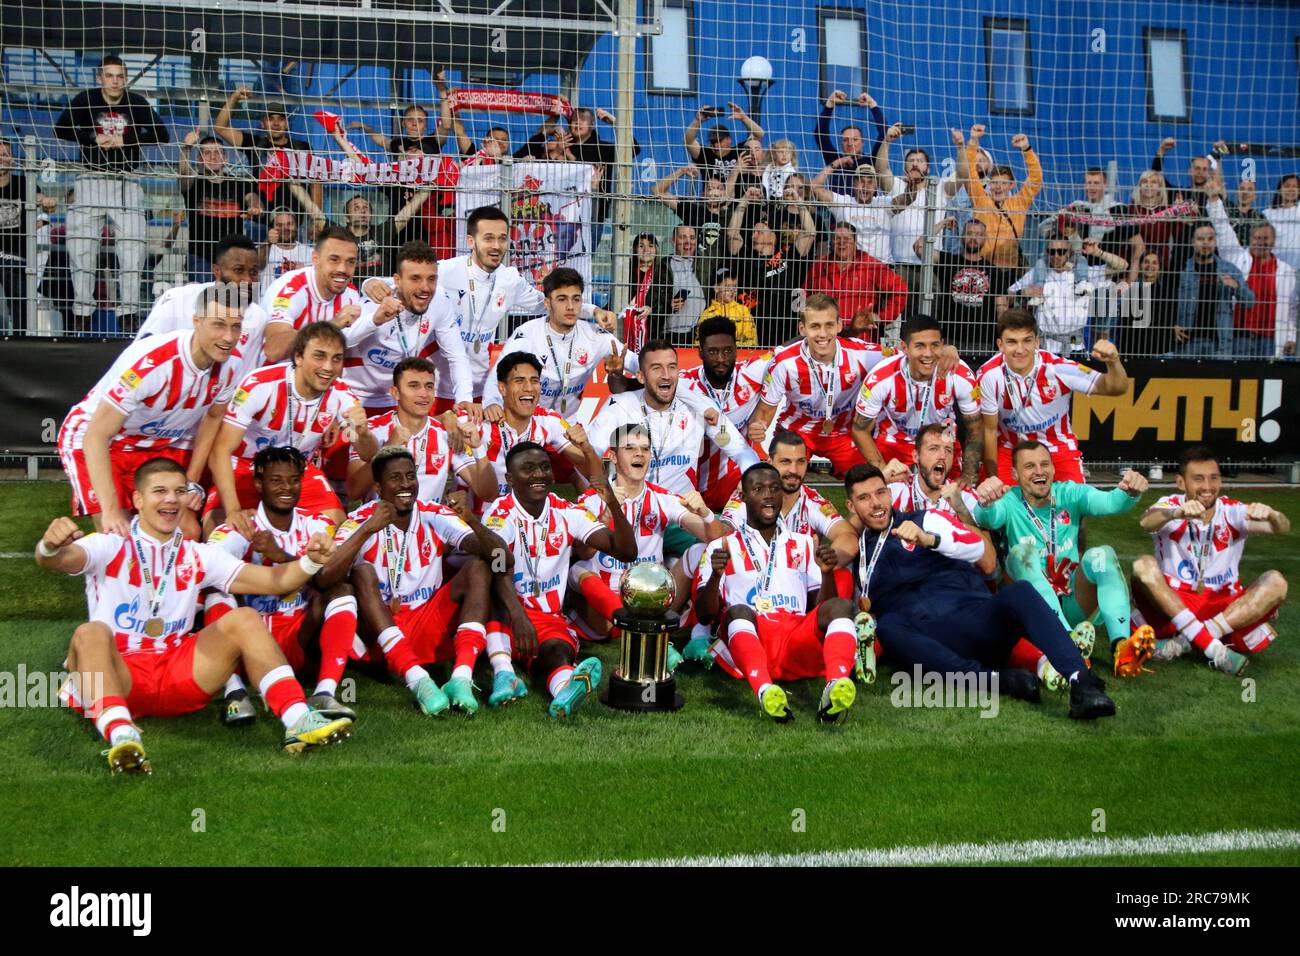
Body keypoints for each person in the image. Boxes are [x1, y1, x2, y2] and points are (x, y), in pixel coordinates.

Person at [37, 456, 353, 774]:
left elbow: (273, 581)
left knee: (244, 618)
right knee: (89, 633)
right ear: (138, 499)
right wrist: (49, 546)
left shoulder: (196, 554)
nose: (171, 499)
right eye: (160, 491)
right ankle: (123, 735)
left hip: (177, 675)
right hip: (120, 676)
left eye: (179, 491)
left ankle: (298, 719)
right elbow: (57, 560)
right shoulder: (111, 545)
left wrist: (311, 562)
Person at [843, 463, 1115, 719]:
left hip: (974, 618)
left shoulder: (926, 519)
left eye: (880, 493)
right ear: (851, 506)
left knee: (1019, 591)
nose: (876, 503)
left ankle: (1082, 682)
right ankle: (997, 681)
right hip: (927, 637)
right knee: (888, 626)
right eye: (864, 498)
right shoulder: (859, 553)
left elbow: (975, 546)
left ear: (890, 494)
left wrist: (929, 539)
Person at [319, 447, 505, 715]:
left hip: (425, 623)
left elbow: (502, 558)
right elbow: (325, 578)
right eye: (395, 478)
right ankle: (417, 679)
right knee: (362, 573)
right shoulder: (359, 519)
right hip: (379, 628)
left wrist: (471, 520)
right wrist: (367, 530)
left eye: (410, 476)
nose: (406, 484)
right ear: (378, 486)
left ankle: (461, 677)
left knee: (479, 567)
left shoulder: (434, 513)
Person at [58, 287, 245, 536]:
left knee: (187, 531)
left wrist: (190, 481)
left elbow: (212, 418)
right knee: (117, 533)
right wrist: (111, 509)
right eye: (219, 325)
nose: (229, 337)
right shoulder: (153, 363)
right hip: (102, 438)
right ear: (196, 322)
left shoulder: (232, 365)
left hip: (159, 443)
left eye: (236, 327)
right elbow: (97, 435)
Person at [972, 442, 1156, 680]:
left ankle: (1121, 648)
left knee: (1103, 554)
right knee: (1021, 554)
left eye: (1044, 464)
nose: (1039, 471)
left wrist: (1130, 492)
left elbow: (1109, 502)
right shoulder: (1009, 501)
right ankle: (1069, 646)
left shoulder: (1070, 493)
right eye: (1030, 466)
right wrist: (985, 502)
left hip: (1071, 600)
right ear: (1015, 474)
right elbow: (988, 517)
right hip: (1029, 614)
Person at [204, 445, 360, 723]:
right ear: (258, 484)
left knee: (341, 590)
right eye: (276, 481)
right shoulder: (236, 530)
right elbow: (208, 572)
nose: (286, 487)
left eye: (293, 480)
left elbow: (328, 579)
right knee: (217, 592)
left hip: (298, 632)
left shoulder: (317, 524)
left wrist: (281, 557)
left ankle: (325, 692)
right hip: (248, 639)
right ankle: (235, 694)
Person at [482, 439, 637, 716]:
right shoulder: (499, 514)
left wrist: (613, 504)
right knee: (486, 574)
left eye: (544, 467)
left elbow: (625, 551)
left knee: (556, 651)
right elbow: (493, 568)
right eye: (528, 469)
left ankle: (565, 692)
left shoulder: (565, 511)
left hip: (547, 618)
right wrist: (518, 617)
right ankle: (503, 673)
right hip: (505, 613)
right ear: (510, 478)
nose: (539, 475)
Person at [694, 463, 859, 723]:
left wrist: (827, 573)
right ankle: (765, 691)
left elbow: (821, 609)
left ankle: (835, 686)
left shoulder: (804, 543)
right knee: (737, 611)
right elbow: (704, 615)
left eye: (774, 489)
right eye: (758, 489)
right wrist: (715, 576)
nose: (769, 495)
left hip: (794, 637)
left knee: (841, 605)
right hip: (751, 637)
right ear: (744, 497)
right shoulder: (721, 545)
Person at [425, 206, 617, 410]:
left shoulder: (509, 280)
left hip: (479, 391)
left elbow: (545, 303)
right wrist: (385, 287)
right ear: (471, 241)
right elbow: (405, 285)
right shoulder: (445, 271)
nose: (496, 246)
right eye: (488, 238)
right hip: (433, 388)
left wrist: (593, 310)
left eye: (502, 238)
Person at [1134, 445, 1290, 675]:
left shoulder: (1231, 511)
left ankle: (1184, 644)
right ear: (1181, 482)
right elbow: (1146, 522)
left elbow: (1281, 528)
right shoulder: (1170, 504)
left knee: (1277, 582)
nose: (1207, 487)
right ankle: (1213, 648)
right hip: (1175, 603)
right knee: (1142, 566)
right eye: (1198, 479)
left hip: (1223, 608)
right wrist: (1177, 513)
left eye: (1213, 478)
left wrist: (1273, 516)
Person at [206, 321, 377, 533]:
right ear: (298, 357)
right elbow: (221, 451)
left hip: (299, 470)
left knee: (339, 528)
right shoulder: (259, 385)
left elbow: (368, 454)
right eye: (319, 356)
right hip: (246, 467)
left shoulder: (342, 395)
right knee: (219, 529)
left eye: (337, 359)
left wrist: (363, 433)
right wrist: (233, 511)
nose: (328, 367)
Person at [569, 423, 727, 646]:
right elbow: (583, 553)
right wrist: (607, 513)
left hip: (653, 598)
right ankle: (632, 624)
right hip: (608, 599)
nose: (639, 454)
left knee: (700, 551)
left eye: (645, 449)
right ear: (613, 457)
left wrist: (706, 513)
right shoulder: (591, 500)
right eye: (630, 448)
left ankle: (701, 628)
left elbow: (715, 539)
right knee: (578, 569)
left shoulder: (663, 498)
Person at [53, 55, 170, 331]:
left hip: (125, 181)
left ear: (125, 78)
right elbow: (61, 128)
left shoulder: (136, 102)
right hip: (91, 177)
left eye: (119, 76)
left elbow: (162, 134)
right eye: (109, 75)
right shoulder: (86, 99)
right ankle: (81, 313)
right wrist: (94, 137)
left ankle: (128, 315)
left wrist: (125, 139)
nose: (114, 81)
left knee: (132, 248)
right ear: (100, 78)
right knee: (81, 247)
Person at [978, 309, 1129, 484]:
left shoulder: (1059, 368)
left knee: (1074, 504)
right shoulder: (988, 375)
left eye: (1027, 341)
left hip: (1057, 447)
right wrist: (993, 478)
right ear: (1000, 344)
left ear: (1037, 342)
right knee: (995, 504)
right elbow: (989, 430)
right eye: (1012, 342)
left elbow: (1116, 388)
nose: (1020, 349)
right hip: (1010, 448)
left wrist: (1113, 362)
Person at [747, 294, 889, 477]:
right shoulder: (784, 363)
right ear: (802, 329)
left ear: (839, 325)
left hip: (844, 433)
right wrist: (758, 426)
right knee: (780, 479)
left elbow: (905, 357)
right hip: (797, 431)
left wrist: (939, 357)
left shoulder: (864, 354)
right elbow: (765, 412)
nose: (822, 334)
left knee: (869, 482)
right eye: (815, 326)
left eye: (829, 325)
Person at [481, 266, 635, 422]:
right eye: (562, 299)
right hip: (529, 425)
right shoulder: (527, 333)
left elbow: (638, 363)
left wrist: (622, 372)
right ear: (547, 303)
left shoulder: (595, 335)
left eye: (576, 299)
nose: (570, 306)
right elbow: (498, 373)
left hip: (568, 428)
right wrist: (491, 402)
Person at [455, 352, 600, 513]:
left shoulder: (548, 420)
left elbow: (595, 477)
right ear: (502, 388)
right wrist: (447, 418)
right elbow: (431, 422)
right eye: (519, 381)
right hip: (479, 524)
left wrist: (588, 449)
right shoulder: (476, 421)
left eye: (534, 381)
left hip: (528, 524)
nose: (529, 388)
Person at [338, 239, 471, 414]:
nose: (425, 287)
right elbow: (337, 342)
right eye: (415, 279)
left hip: (397, 399)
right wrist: (374, 321)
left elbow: (457, 355)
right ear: (397, 280)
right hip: (354, 398)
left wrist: (464, 399)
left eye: (431, 279)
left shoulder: (439, 299)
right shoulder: (374, 303)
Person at [852, 314, 980, 483]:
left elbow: (976, 428)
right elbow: (860, 430)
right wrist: (883, 471)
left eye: (934, 345)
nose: (928, 354)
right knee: (888, 502)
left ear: (942, 345)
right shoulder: (881, 378)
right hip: (894, 441)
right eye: (919, 346)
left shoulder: (959, 374)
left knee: (953, 504)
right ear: (904, 347)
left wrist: (968, 476)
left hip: (942, 440)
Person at [722, 429, 859, 566]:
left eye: (800, 461)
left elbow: (849, 539)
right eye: (785, 462)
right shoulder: (750, 495)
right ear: (770, 463)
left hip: (799, 583)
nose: (794, 470)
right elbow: (722, 534)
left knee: (843, 580)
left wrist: (818, 570)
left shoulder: (813, 501)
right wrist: (706, 516)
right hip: (754, 582)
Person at [679, 315, 770, 510]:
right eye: (713, 352)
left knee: (767, 482)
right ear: (700, 352)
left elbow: (787, 354)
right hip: (688, 483)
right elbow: (643, 380)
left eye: (727, 351)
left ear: (736, 350)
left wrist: (763, 415)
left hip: (731, 481)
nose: (721, 359)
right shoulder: (684, 383)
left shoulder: (750, 374)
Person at [1205, 182, 1298, 358]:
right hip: (1240, 337)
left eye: (1266, 238)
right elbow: (1223, 229)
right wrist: (1213, 199)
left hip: (1271, 340)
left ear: (1273, 241)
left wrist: (1291, 337)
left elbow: (1291, 310)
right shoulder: (1238, 259)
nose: (1261, 242)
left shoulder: (1285, 271)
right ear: (1250, 238)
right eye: (1257, 238)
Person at [346, 357, 452, 503]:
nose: (424, 393)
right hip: (381, 521)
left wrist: (478, 449)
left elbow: (487, 493)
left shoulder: (447, 432)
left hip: (428, 523)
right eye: (414, 386)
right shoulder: (370, 430)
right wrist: (388, 450)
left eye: (429, 386)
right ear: (395, 393)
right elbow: (353, 492)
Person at [214, 88, 325, 227]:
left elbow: (316, 184)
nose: (276, 123)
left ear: (286, 123)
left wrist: (317, 220)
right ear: (263, 123)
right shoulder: (254, 143)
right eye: (270, 118)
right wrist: (234, 98)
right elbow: (220, 128)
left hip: (293, 221)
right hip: (261, 220)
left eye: (281, 118)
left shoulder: (302, 147)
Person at [260, 224, 365, 362]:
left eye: (351, 262)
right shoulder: (291, 288)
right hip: (274, 378)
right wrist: (332, 325)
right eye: (334, 259)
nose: (343, 269)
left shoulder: (351, 294)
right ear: (315, 259)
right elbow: (273, 350)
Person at [1008, 236, 1129, 355]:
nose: (1056, 255)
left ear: (1069, 254)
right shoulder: (1037, 273)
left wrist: (1098, 252)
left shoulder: (1085, 274)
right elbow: (1009, 294)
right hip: (1045, 348)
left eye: (1061, 251)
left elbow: (1122, 266)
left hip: (1075, 347)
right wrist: (1023, 292)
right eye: (1051, 252)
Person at [915, 218, 1012, 360]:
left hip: (983, 341)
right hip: (951, 339)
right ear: (962, 236)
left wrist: (1003, 341)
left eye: (979, 235)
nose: (973, 238)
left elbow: (1002, 309)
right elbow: (919, 247)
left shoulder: (994, 271)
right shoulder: (948, 261)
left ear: (985, 239)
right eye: (970, 233)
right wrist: (941, 224)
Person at [805, 221, 907, 344]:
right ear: (831, 242)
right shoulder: (819, 266)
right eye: (837, 238)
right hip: (824, 336)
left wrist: (882, 317)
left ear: (855, 242)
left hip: (860, 339)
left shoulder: (870, 265)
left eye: (847, 239)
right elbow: (805, 296)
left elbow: (900, 289)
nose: (841, 242)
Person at [725, 212, 814, 342]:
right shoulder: (745, 257)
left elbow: (810, 232)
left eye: (760, 232)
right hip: (754, 325)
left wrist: (797, 201)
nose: (753, 235)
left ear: (773, 238)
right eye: (753, 232)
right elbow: (731, 234)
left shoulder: (787, 256)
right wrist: (743, 202)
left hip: (785, 325)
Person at [962, 125, 1042, 269]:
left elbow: (1036, 179)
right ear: (989, 184)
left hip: (1010, 268)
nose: (998, 187)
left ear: (1012, 185)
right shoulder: (981, 200)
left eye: (1003, 183)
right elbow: (969, 172)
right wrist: (973, 140)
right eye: (994, 183)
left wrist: (1026, 149)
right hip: (983, 267)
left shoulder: (1019, 203)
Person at [177, 131, 252, 281]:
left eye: (218, 152)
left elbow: (252, 198)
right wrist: (186, 149)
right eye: (207, 153)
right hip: (200, 256)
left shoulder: (239, 184)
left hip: (232, 257)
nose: (213, 156)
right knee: (207, 301)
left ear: (225, 158)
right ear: (199, 159)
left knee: (236, 301)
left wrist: (254, 206)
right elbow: (183, 177)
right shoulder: (194, 183)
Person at [0, 138, 56, 333]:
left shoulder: (23, 183)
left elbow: (42, 200)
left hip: (16, 258)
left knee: (21, 308)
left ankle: (20, 343)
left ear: (12, 159)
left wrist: (48, 203)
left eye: (5, 154)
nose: (1, 158)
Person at [1175, 222, 1254, 357]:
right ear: (1192, 242)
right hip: (1187, 342)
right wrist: (1172, 325)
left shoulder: (1228, 269)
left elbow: (1250, 302)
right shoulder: (1182, 270)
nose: (1206, 243)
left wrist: (1236, 286)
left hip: (1220, 343)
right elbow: (1167, 300)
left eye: (1210, 239)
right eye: (1201, 239)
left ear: (1216, 241)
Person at [652, 167, 733, 286]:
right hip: (696, 275)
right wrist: (682, 172)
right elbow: (657, 191)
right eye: (709, 188)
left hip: (722, 278)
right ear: (703, 193)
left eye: (719, 188)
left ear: (725, 193)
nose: (714, 192)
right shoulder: (693, 211)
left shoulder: (731, 216)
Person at [809, 163, 901, 264]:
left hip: (881, 268)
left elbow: (906, 201)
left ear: (876, 185)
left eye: (870, 182)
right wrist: (835, 164)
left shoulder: (884, 203)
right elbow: (814, 186)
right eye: (861, 181)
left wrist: (912, 187)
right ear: (854, 183)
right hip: (852, 269)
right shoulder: (843, 202)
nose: (865, 186)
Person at [814, 90, 886, 195]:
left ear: (862, 142)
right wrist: (829, 104)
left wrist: (872, 104)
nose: (850, 143)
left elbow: (884, 134)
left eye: (855, 139)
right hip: (838, 210)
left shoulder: (872, 160)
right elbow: (820, 134)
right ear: (841, 143)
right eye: (845, 140)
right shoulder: (835, 160)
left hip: (866, 209)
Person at [685, 103, 764, 183]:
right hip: (712, 194)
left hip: (736, 194)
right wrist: (698, 120)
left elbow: (759, 134)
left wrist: (743, 118)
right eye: (713, 142)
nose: (716, 145)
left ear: (728, 140)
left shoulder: (739, 151)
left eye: (719, 141)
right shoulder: (705, 154)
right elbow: (688, 141)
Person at [1126, 170, 1188, 270]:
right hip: (1135, 260)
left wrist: (1179, 214)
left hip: (1160, 261)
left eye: (1153, 182)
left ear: (1160, 188)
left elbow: (1178, 232)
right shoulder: (1131, 209)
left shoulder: (1167, 209)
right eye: (1145, 181)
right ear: (1140, 186)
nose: (1148, 185)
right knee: (1137, 286)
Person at [662, 225, 707, 345]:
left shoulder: (704, 264)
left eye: (692, 238)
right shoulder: (663, 266)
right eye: (683, 237)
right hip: (671, 335)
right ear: (673, 241)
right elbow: (653, 300)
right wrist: (668, 305)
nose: (688, 242)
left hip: (699, 333)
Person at [698, 268, 756, 346]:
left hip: (741, 355)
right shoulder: (707, 314)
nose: (732, 290)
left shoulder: (743, 311)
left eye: (734, 286)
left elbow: (752, 341)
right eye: (727, 286)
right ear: (716, 288)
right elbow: (699, 343)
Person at [258, 208, 313, 286]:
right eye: (279, 225)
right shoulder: (264, 250)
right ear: (271, 229)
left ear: (297, 226)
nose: (285, 228)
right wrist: (267, 241)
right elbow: (258, 264)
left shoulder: (310, 252)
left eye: (289, 224)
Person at [1264, 173, 1300, 270]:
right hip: (1274, 270)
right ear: (1280, 189)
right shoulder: (1267, 214)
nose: (1291, 189)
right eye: (1287, 186)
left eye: (1295, 186)